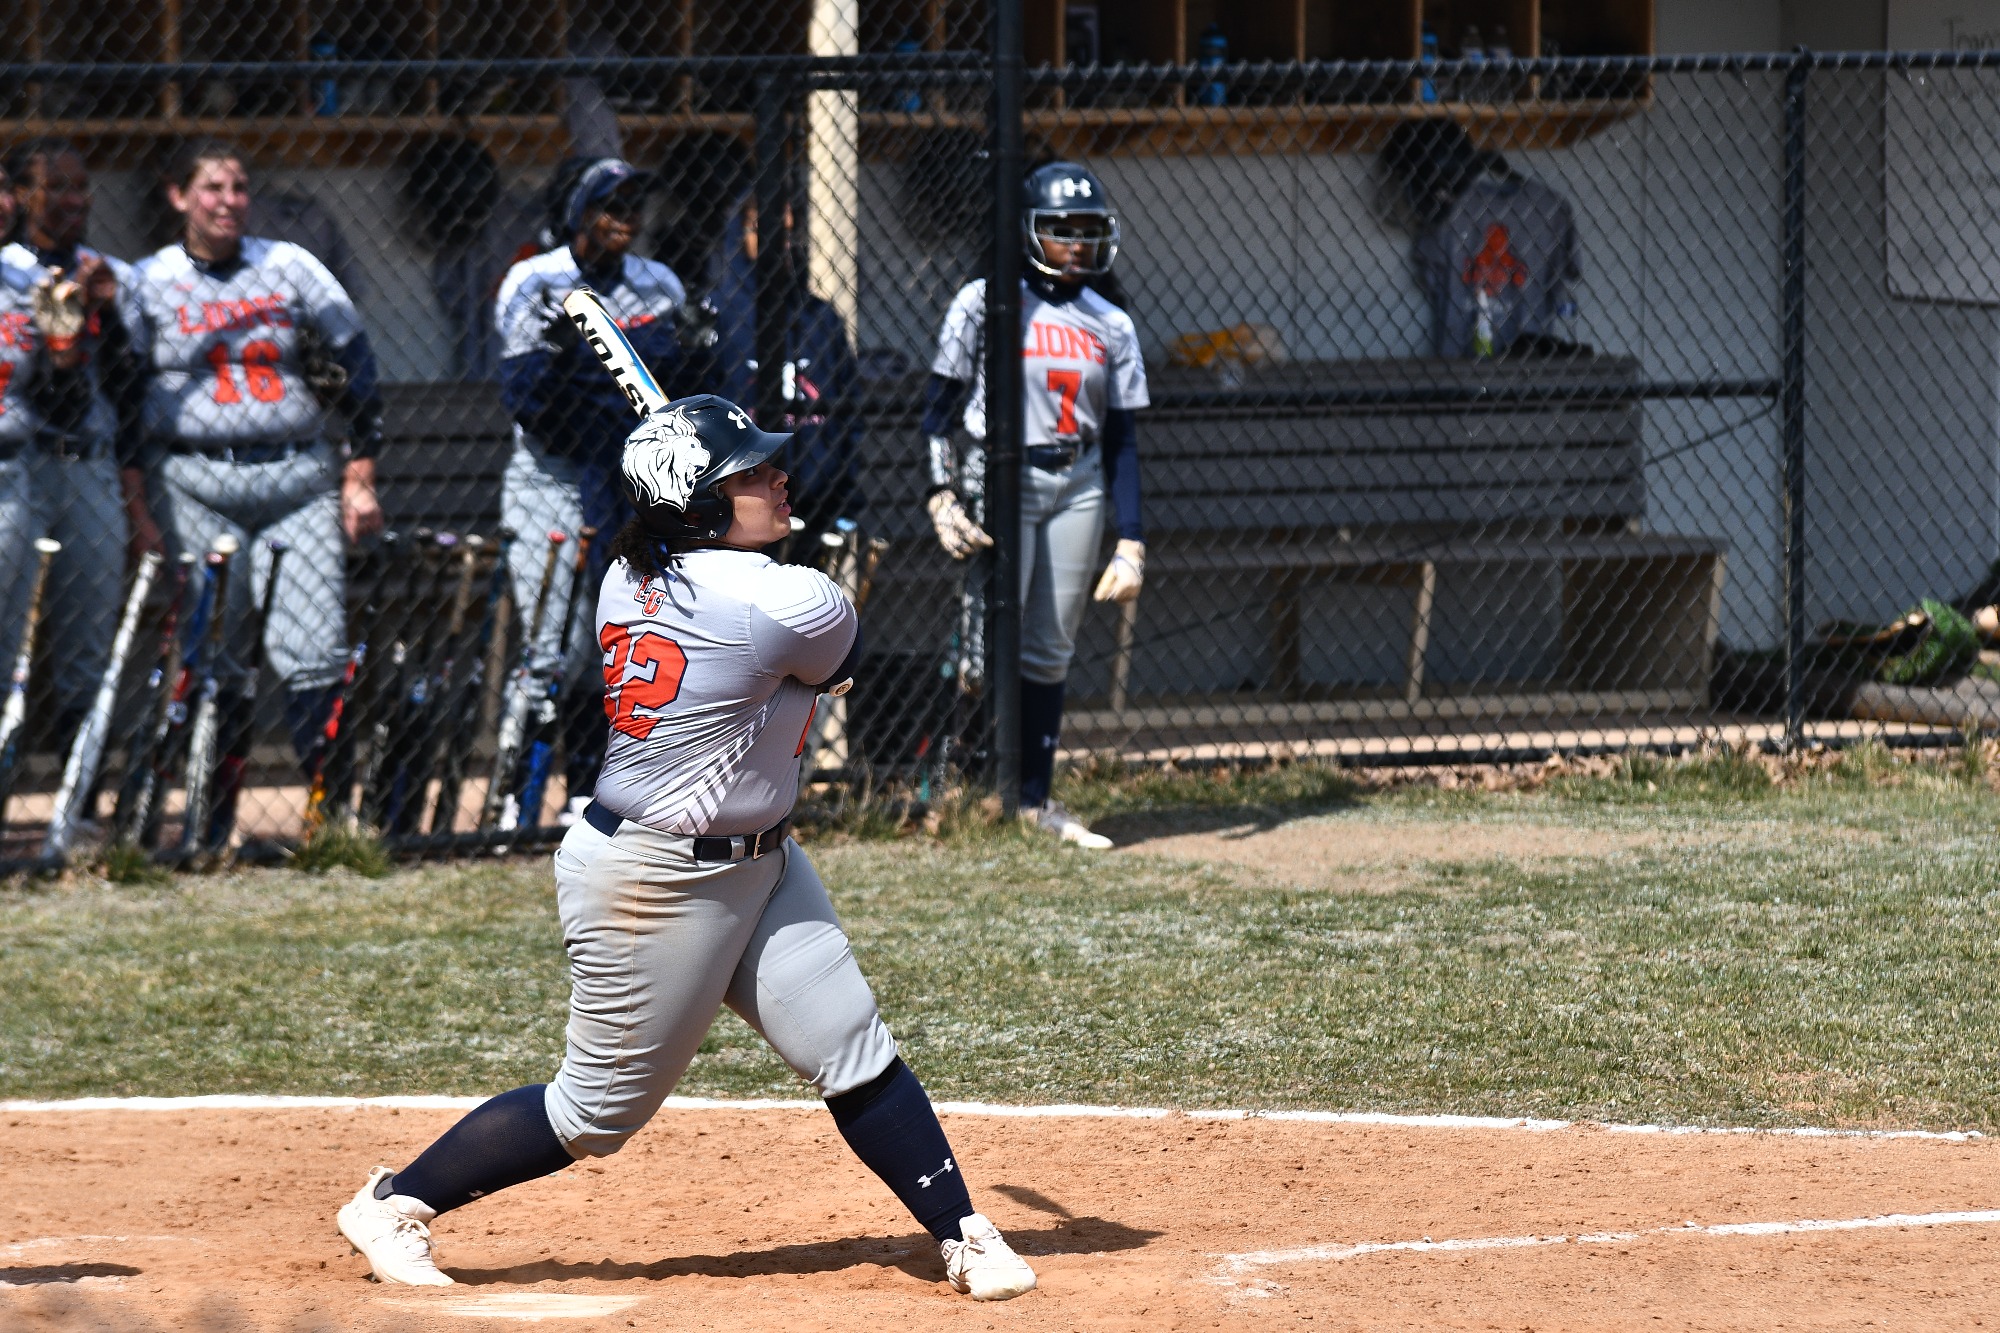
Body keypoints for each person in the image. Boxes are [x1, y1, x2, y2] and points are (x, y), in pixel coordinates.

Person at [336, 395, 1038, 1303]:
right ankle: (394, 1202)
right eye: (751, 473)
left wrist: (694, 474)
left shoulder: (625, 571)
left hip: (761, 862)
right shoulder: (787, 598)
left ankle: (961, 1230)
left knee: (849, 1043)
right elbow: (830, 654)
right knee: (594, 1112)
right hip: (653, 881)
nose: (779, 477)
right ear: (699, 504)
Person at [125, 138, 386, 838]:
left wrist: (360, 471)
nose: (229, 201)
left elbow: (357, 360)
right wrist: (136, 504)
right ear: (179, 196)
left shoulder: (289, 265)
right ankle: (209, 827)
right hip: (194, 482)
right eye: (212, 187)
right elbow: (122, 395)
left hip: (296, 479)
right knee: (213, 657)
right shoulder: (148, 280)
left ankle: (330, 819)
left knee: (318, 651)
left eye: (239, 187)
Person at [923, 160, 1148, 849]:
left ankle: (1032, 798)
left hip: (1078, 479)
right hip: (1001, 475)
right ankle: (953, 785)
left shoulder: (1111, 321)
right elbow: (938, 409)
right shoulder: (983, 301)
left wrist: (1132, 538)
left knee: (1050, 647)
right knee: (982, 646)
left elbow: (1121, 437)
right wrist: (940, 492)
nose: (1077, 244)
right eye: (1061, 230)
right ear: (1026, 230)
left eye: (1087, 230)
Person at [494, 156, 714, 827]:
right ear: (578, 212)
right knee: (551, 645)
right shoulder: (535, 279)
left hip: (631, 482)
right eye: (612, 204)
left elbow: (672, 398)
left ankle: (592, 792)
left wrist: (695, 347)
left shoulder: (658, 283)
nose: (627, 218)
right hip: (554, 475)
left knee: (617, 639)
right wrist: (564, 363)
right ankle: (515, 802)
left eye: (635, 205)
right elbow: (527, 400)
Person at [0, 140, 152, 761]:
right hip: (24, 463)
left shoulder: (108, 272)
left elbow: (130, 390)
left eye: (80, 187)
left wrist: (105, 312)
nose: (72, 200)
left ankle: (79, 796)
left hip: (90, 462)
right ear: (23, 195)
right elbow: (42, 391)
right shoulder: (9, 270)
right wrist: (62, 324)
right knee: (8, 647)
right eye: (55, 187)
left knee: (88, 649)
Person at [710, 193, 861, 555]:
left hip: (816, 499)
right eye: (764, 229)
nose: (781, 242)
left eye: (789, 232)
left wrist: (846, 489)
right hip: (738, 505)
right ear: (740, 235)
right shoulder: (719, 316)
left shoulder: (820, 317)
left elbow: (849, 408)